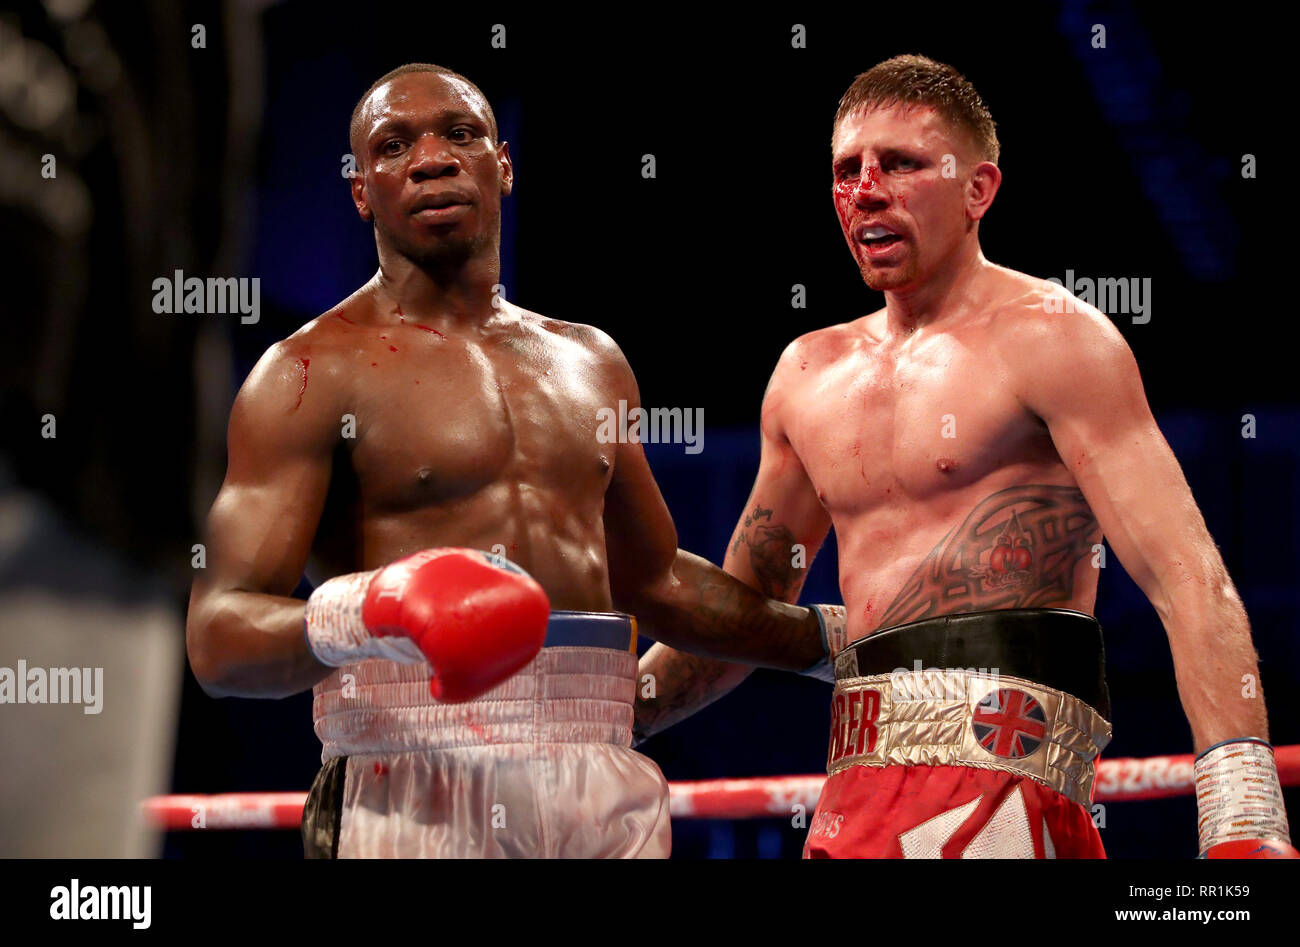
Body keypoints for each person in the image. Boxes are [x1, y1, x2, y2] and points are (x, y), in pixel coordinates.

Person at [635, 55, 1295, 859]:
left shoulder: (1055, 340)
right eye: (847, 169)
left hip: (1005, 775)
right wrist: (605, 708)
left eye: (902, 164)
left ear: (979, 189)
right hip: (852, 790)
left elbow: (1188, 576)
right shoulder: (806, 374)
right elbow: (740, 615)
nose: (866, 190)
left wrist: (1244, 816)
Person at [185, 63, 831, 859]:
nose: (431, 158)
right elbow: (218, 636)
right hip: (414, 775)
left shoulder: (590, 359)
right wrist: (376, 606)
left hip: (601, 770)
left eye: (459, 133)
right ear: (360, 190)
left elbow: (657, 580)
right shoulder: (306, 374)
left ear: (504, 163)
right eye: (394, 145)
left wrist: (832, 642)